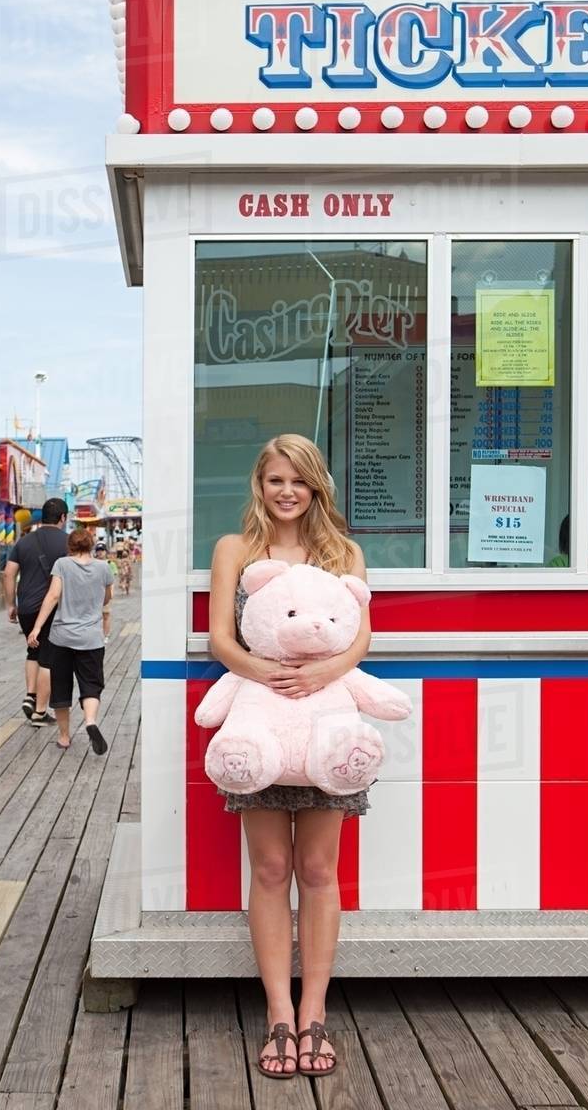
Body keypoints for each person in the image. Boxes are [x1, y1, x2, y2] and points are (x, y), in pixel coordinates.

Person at [209, 434, 371, 1080]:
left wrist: (321, 670)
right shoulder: (235, 550)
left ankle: (315, 1014)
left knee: (319, 868)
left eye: (298, 481)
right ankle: (278, 1013)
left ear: (315, 487)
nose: (286, 492)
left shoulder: (344, 552)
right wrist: (270, 672)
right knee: (271, 867)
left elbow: (359, 640)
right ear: (260, 483)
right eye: (276, 480)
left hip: (328, 726)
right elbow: (220, 637)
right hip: (263, 725)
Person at [27, 527, 113, 753]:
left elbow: (53, 596)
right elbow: (107, 598)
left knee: (61, 688)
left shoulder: (62, 565)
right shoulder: (104, 568)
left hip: (61, 638)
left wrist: (36, 627)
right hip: (91, 639)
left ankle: (64, 737)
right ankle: (91, 722)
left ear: (70, 546)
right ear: (91, 544)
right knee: (91, 685)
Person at [3, 497, 69, 726]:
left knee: (33, 652)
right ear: (63, 517)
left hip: (27, 608)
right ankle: (40, 712)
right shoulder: (69, 542)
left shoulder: (24, 541)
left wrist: (11, 604)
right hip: (54, 609)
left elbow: (9, 573)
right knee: (49, 660)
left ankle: (30, 695)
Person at [93, 542, 116, 643]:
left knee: (105, 614)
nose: (100, 553)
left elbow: (112, 581)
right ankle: (96, 635)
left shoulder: (110, 564)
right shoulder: (92, 563)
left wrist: (111, 592)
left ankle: (106, 635)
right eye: (98, 551)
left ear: (105, 551)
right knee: (94, 616)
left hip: (105, 592)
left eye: (102, 550)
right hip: (93, 593)